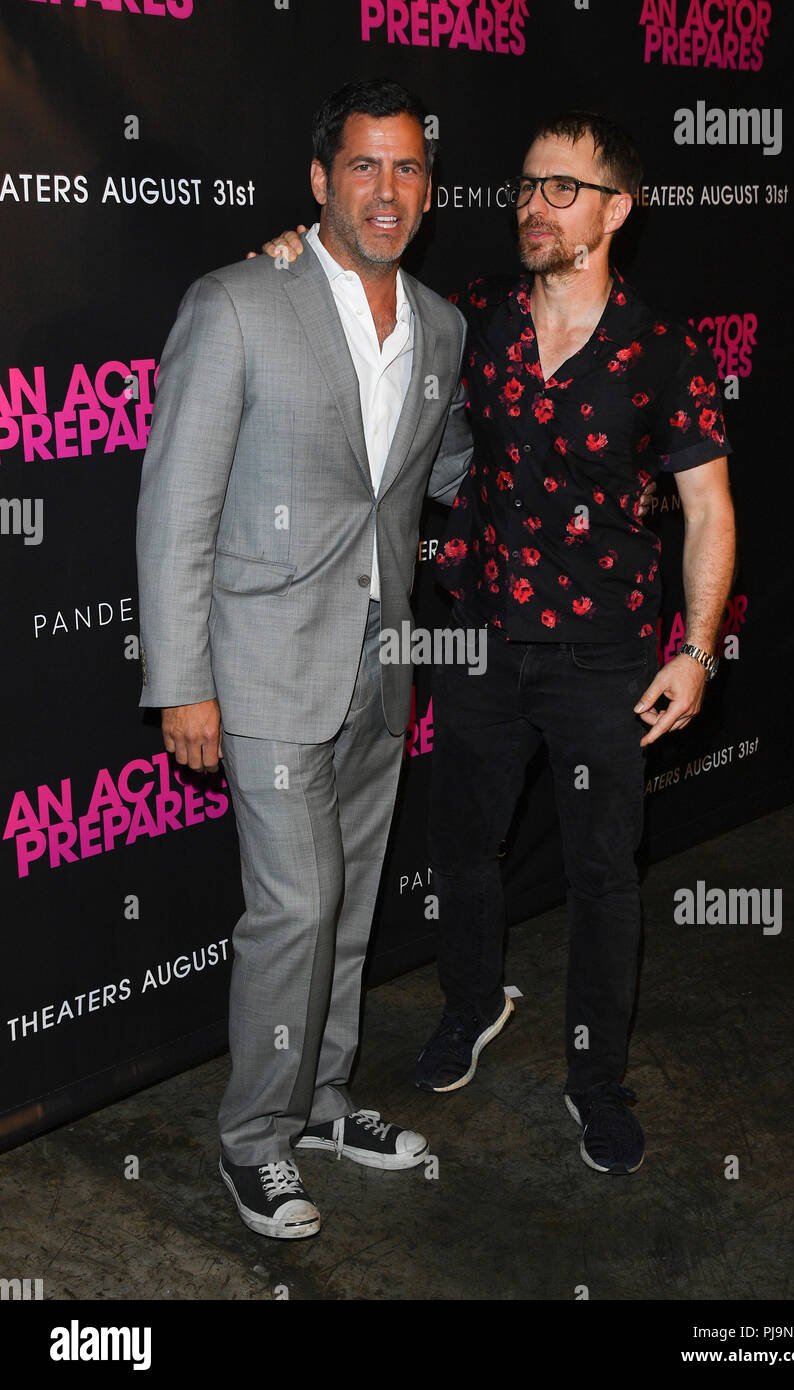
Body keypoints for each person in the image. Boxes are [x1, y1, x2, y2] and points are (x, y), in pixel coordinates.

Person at [265, 109, 736, 1180]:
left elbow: (706, 510)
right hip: (473, 638)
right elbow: (351, 291)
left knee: (601, 874)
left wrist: (695, 649)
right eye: (525, 185)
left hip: (606, 659)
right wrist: (291, 252)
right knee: (461, 849)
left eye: (560, 189)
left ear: (617, 209)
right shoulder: (466, 317)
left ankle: (594, 1080)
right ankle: (470, 1005)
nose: (531, 205)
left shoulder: (662, 353)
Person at [135, 79, 473, 1240]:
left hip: (381, 665)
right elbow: (175, 504)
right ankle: (254, 1139)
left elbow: (450, 471)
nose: (389, 190)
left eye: (411, 168)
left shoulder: (441, 326)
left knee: (349, 905)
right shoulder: (236, 303)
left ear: (429, 190)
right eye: (366, 166)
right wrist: (182, 677)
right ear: (320, 180)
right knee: (295, 907)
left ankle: (321, 1100)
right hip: (266, 665)